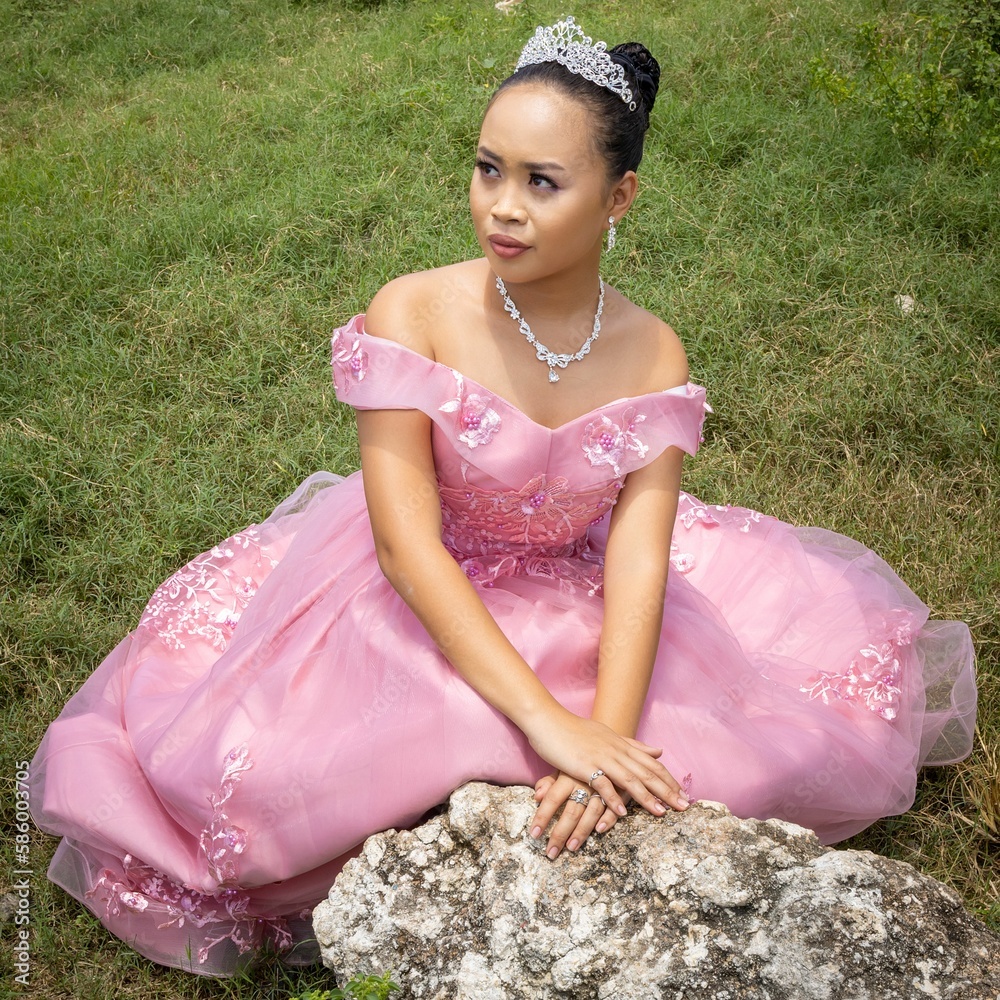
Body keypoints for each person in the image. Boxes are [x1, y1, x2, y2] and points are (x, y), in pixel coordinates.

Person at [29, 16, 977, 977]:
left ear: (619, 197)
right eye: (489, 170)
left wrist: (607, 731)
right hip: (407, 591)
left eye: (542, 182)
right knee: (304, 780)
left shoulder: (654, 353)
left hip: (577, 589)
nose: (503, 208)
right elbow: (405, 550)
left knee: (721, 762)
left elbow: (637, 556)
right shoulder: (415, 311)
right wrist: (550, 724)